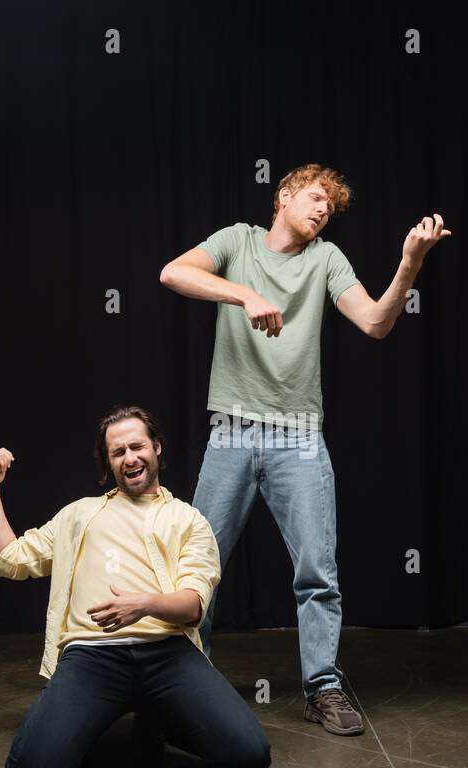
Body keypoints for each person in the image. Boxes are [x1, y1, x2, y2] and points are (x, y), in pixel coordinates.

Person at [159, 163, 451, 735]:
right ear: (285, 196)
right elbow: (173, 273)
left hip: (299, 437)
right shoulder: (236, 242)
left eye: (330, 208)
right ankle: (184, 679)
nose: (322, 212)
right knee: (197, 566)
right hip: (232, 431)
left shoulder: (326, 258)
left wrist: (409, 264)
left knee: (318, 571)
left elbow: (373, 323)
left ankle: (323, 687)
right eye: (316, 199)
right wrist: (243, 293)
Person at [0, 406, 271, 768]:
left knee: (249, 759)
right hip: (91, 658)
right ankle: (100, 723)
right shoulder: (78, 514)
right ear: (109, 463)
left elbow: (192, 606)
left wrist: (145, 604)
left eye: (137, 446)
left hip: (168, 655)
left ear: (156, 448)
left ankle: (165, 720)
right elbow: (10, 559)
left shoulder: (188, 520)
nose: (129, 457)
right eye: (117, 452)